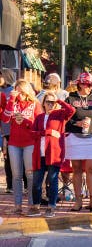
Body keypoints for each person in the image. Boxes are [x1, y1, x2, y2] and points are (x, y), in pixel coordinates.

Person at [29, 92, 76, 218]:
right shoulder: (39, 117)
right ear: (43, 103)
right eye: (47, 102)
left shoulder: (60, 115)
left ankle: (51, 207)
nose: (50, 104)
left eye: (52, 102)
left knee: (53, 180)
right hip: (39, 153)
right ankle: (35, 207)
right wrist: (48, 132)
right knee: (37, 182)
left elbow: (71, 110)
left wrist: (59, 101)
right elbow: (32, 133)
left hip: (54, 153)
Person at [2, 79, 43, 215]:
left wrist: (25, 122)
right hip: (14, 143)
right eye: (16, 91)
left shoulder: (35, 104)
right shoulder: (13, 103)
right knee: (16, 175)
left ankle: (32, 204)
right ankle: (18, 205)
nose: (18, 93)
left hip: (30, 143)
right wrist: (11, 100)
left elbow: (40, 124)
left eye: (20, 91)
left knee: (30, 175)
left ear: (26, 91)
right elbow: (6, 119)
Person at [64, 72, 92, 212]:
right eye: (85, 84)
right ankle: (78, 201)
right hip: (75, 136)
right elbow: (65, 119)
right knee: (77, 169)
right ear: (79, 84)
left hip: (91, 137)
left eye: (90, 84)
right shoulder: (71, 98)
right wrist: (77, 123)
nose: (87, 87)